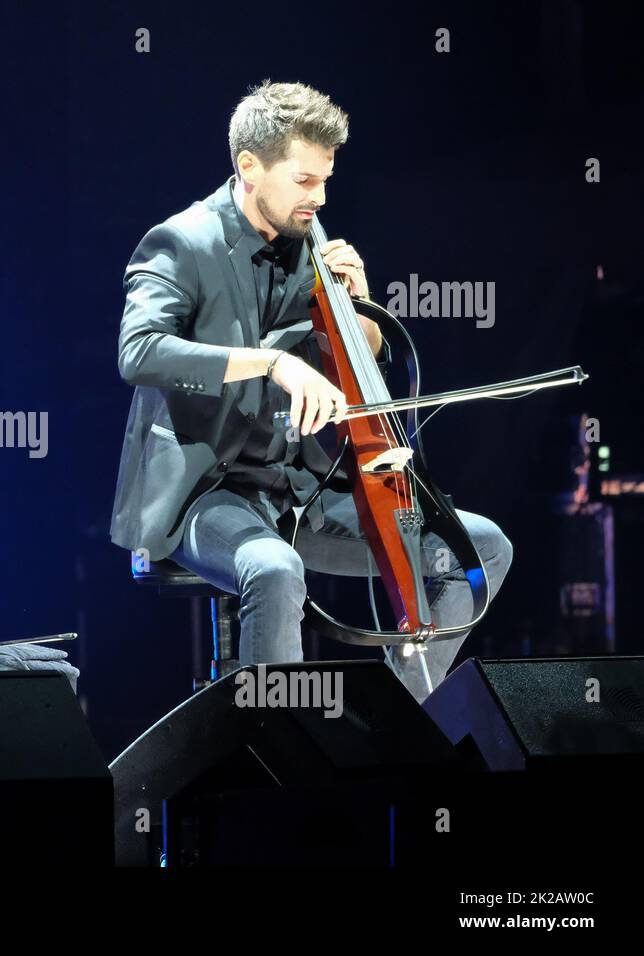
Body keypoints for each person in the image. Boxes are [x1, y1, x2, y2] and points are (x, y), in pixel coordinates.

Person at [109, 80, 512, 703]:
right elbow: (138, 353)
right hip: (203, 492)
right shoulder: (181, 242)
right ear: (249, 167)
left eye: (325, 181)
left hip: (301, 490)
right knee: (273, 569)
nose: (318, 199)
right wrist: (270, 364)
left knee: (481, 545)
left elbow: (358, 364)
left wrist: (362, 315)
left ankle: (400, 715)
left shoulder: (313, 242)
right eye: (303, 181)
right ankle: (279, 752)